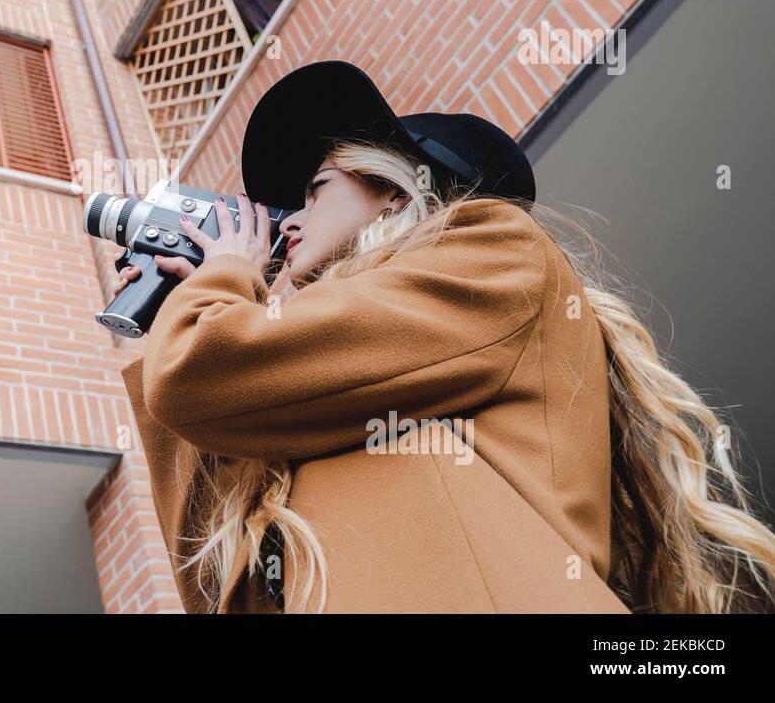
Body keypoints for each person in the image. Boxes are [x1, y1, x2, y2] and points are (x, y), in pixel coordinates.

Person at [113, 59, 775, 614]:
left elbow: (195, 377)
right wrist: (187, 302)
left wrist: (226, 278)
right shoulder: (314, 383)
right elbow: (212, 585)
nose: (285, 224)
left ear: (398, 191)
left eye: (315, 191)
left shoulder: (492, 248)